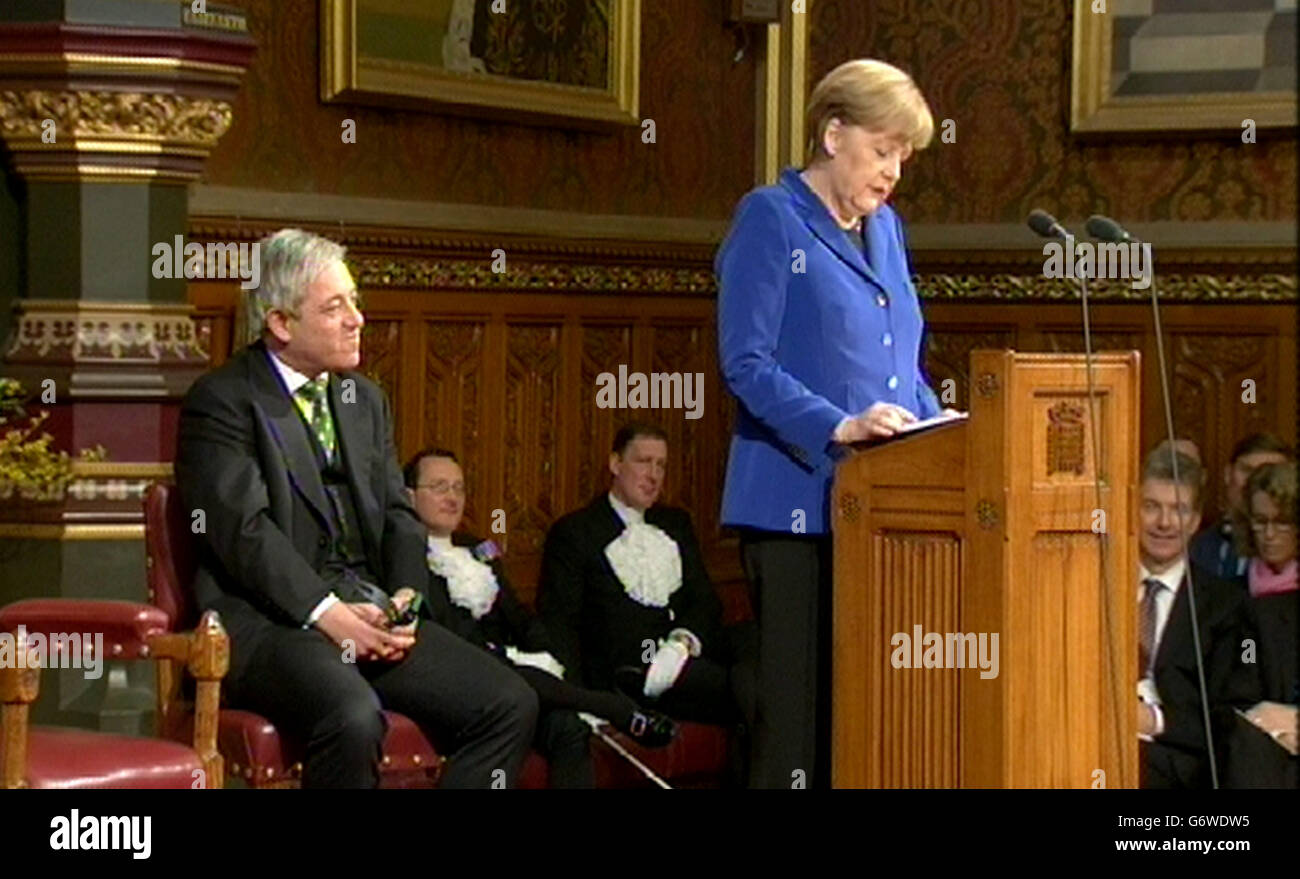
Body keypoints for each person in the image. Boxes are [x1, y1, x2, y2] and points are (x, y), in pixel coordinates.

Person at [176, 228, 537, 788]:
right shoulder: (223, 400)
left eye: (355, 301)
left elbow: (398, 514)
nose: (357, 318)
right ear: (280, 323)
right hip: (270, 624)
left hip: (368, 609)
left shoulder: (363, 400)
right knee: (351, 716)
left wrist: (406, 599)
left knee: (510, 702)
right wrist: (330, 615)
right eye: (334, 306)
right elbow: (244, 534)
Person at [715, 58, 947, 788]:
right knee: (796, 726)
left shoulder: (888, 230)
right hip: (794, 511)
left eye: (902, 158)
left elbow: (898, 364)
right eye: (883, 151)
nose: (892, 174)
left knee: (860, 717)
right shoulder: (769, 217)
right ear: (832, 132)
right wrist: (839, 426)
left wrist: (943, 425)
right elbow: (745, 363)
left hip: (877, 510)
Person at [403, 447, 676, 788]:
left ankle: (605, 708)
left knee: (568, 728)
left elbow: (519, 617)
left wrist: (545, 653)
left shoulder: (480, 548)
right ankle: (615, 709)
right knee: (521, 683)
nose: (452, 497)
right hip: (461, 679)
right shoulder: (405, 556)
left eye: (458, 488)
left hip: (518, 675)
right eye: (439, 487)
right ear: (410, 496)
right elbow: (439, 632)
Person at [538, 423, 752, 734]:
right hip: (632, 669)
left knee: (759, 650)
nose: (653, 475)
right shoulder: (575, 532)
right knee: (746, 687)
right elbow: (560, 623)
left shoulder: (676, 523)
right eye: (643, 462)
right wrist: (583, 701)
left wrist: (681, 643)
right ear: (615, 464)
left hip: (682, 651)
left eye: (661, 465)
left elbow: (704, 600)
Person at [1134, 447, 1258, 788]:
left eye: (1179, 509)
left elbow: (1228, 717)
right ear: (1131, 508)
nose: (1164, 522)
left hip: (1178, 772)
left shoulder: (1228, 607)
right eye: (1151, 507)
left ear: (1195, 519)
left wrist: (1153, 720)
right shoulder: (1094, 588)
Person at [1222, 461, 1298, 787]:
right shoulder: (1234, 597)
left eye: (1282, 523)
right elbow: (1245, 665)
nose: (1269, 534)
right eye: (1260, 521)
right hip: (1261, 740)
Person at [1189, 433, 1292, 581]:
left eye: (1268, 473)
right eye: (1247, 470)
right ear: (1227, 474)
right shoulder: (1196, 546)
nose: (1254, 482)